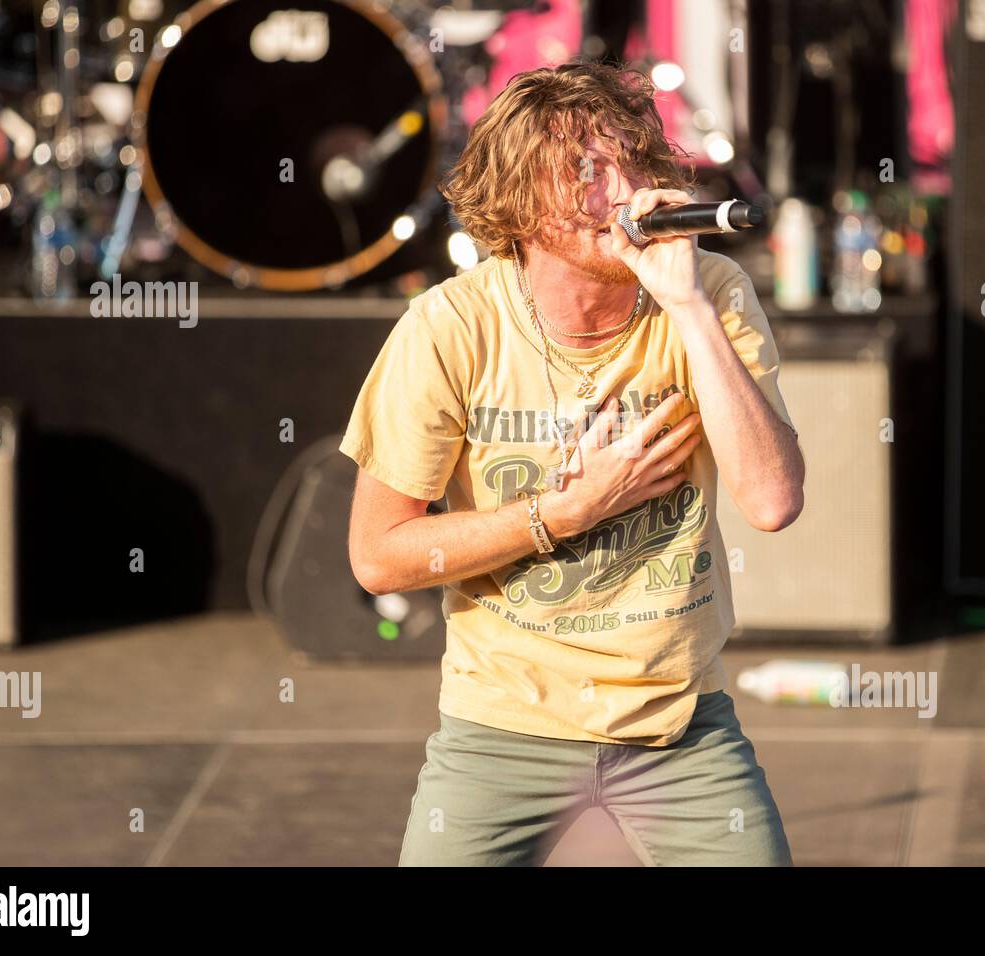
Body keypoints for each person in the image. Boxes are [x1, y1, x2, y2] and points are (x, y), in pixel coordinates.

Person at [339, 59, 805, 866]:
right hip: (501, 725)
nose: (621, 190)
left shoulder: (710, 291)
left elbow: (772, 501)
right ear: (520, 201)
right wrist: (562, 513)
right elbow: (378, 556)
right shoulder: (449, 327)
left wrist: (687, 304)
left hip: (677, 725)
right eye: (587, 171)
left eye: (631, 162)